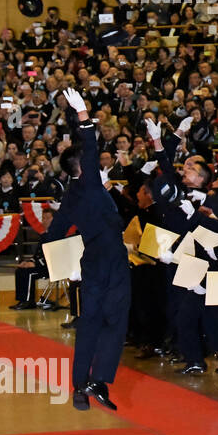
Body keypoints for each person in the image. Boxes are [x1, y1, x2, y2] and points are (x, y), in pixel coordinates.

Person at [40, 88, 132, 411]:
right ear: (84, 167)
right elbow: (90, 150)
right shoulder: (90, 182)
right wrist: (83, 117)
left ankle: (80, 385)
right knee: (116, 320)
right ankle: (99, 379)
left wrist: (47, 260)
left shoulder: (71, 196)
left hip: (90, 259)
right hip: (112, 259)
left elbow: (52, 233)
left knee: (89, 322)